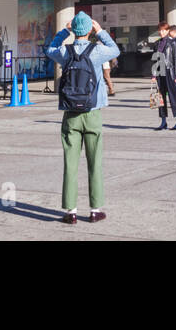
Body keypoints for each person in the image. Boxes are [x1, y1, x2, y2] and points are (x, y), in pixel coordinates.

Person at [44, 12, 119, 224]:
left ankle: (71, 211)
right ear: (88, 29)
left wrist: (64, 31)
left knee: (70, 163)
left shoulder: (64, 52)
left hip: (70, 114)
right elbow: (116, 50)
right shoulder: (97, 51)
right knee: (95, 162)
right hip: (92, 112)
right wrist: (100, 31)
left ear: (74, 30)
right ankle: (95, 210)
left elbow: (49, 49)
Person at [150, 25, 176, 130]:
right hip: (160, 73)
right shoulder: (157, 44)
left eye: (163, 30)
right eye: (159, 30)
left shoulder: (173, 42)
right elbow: (155, 60)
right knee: (160, 98)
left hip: (170, 72)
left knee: (173, 97)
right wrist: (153, 75)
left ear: (167, 31)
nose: (161, 32)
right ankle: (163, 121)